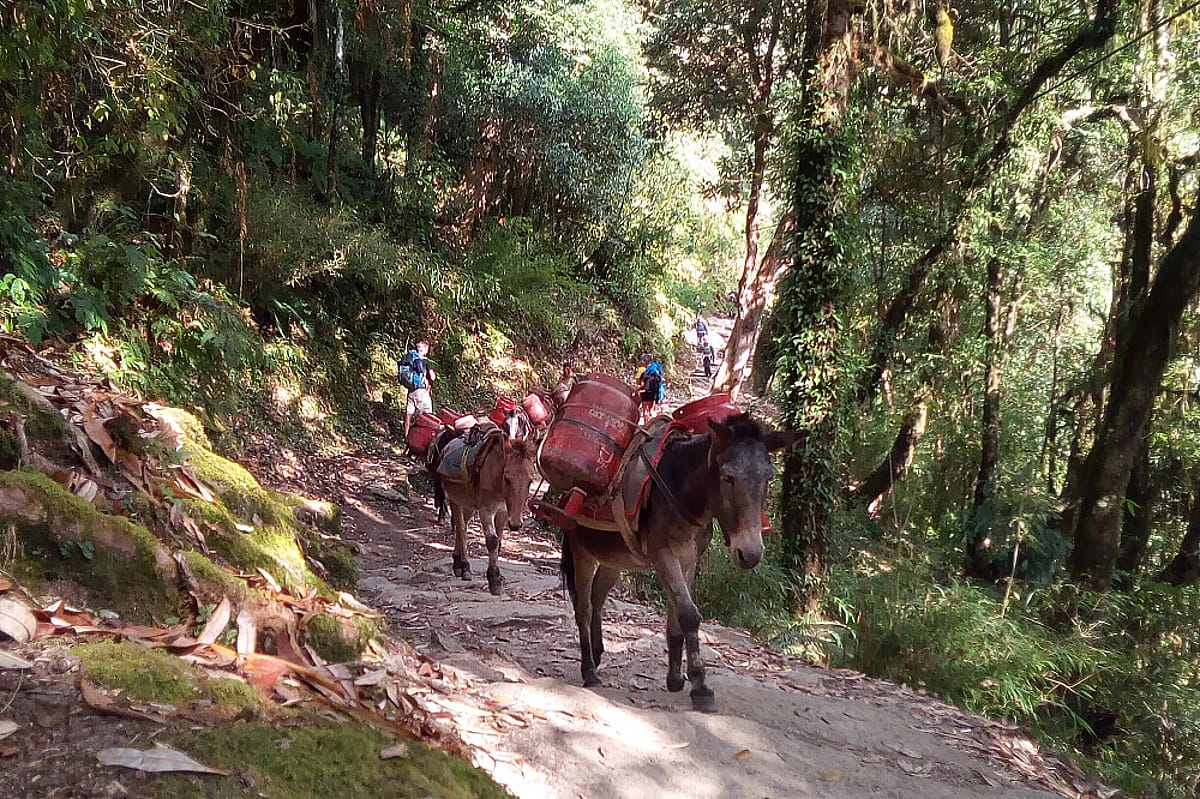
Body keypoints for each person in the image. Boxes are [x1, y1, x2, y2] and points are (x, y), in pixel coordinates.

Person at [402, 340, 436, 439]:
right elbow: (432, 377)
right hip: (421, 392)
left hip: (411, 390)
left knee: (409, 414)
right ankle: (422, 439)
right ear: (426, 349)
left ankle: (406, 437)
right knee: (427, 416)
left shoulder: (410, 358)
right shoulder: (425, 361)